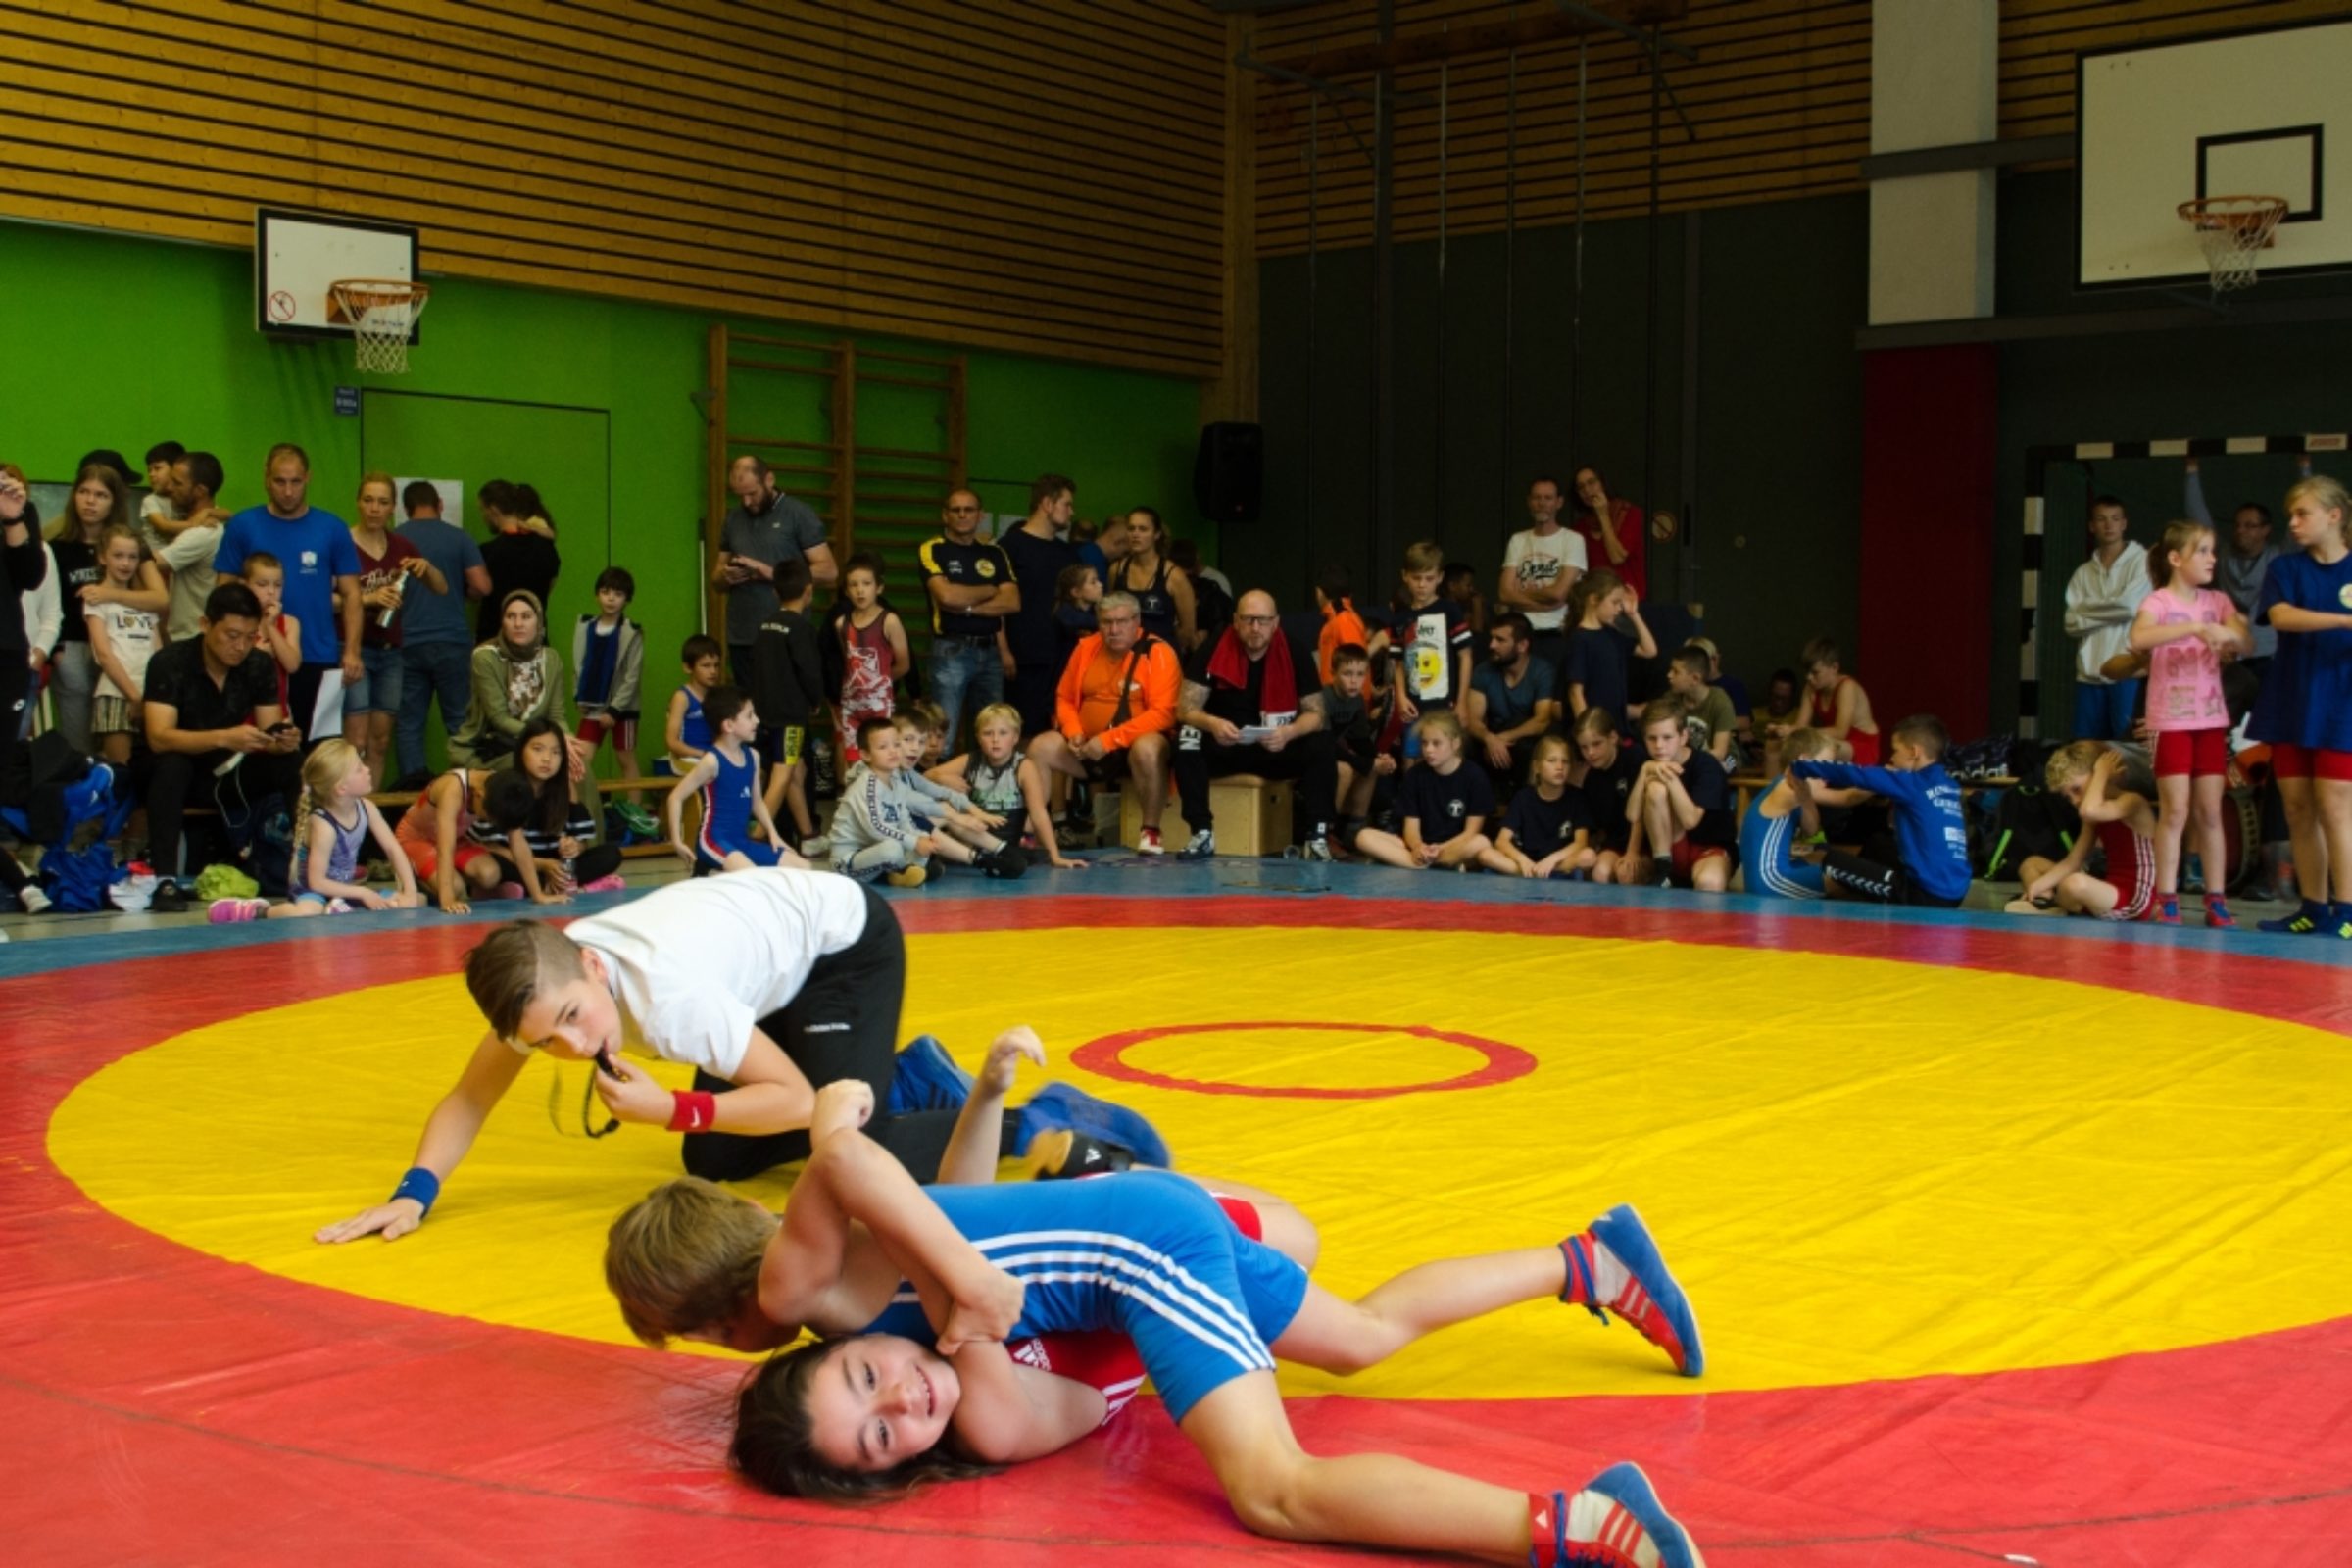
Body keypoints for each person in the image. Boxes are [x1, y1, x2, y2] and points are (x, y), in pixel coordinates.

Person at [606, 1078, 1707, 1567]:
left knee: (1276, 1490)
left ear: (718, 1318)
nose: (897, 1399)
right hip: (1131, 1253)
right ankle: (1588, 1262)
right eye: (885, 1430)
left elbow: (848, 1157)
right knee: (1360, 1337)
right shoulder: (874, 1312)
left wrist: (964, 1287)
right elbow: (898, 1176)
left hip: (1136, 1247)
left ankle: (1580, 1524)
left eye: (866, 1389)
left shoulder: (807, 1296)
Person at [312, 867, 1167, 1237]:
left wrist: (668, 1103)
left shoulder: (670, 1001)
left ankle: (1026, 1121)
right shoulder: (540, 989)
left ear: (595, 966)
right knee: (713, 1157)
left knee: (843, 1144)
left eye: (576, 1018)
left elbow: (796, 1100)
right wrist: (414, 1193)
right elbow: (470, 1099)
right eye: (549, 1042)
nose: (576, 1046)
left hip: (840, 946)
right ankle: (905, 1079)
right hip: (760, 975)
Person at [138, 582, 304, 910]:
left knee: (293, 761)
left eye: (249, 636)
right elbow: (158, 737)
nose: (240, 646)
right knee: (173, 764)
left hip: (226, 772)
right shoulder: (169, 662)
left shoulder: (257, 664)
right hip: (170, 771)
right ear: (205, 625)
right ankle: (165, 880)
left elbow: (269, 729)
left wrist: (282, 740)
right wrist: (225, 736)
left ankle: (307, 868)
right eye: (231, 635)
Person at [2129, 518, 2252, 927]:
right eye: (2203, 551)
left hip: (2210, 719)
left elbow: (2244, 639)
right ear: (2176, 558)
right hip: (2171, 721)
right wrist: (2196, 627)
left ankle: (2216, 899)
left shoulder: (2217, 601)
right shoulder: (2159, 603)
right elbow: (2139, 639)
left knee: (2210, 812)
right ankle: (2168, 897)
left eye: (2213, 551)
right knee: (2175, 811)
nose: (2211, 558)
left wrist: (2228, 634)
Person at [2246, 473, 2352, 937]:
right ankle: (2313, 906)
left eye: (2302, 513)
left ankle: (2347, 910)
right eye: (2290, 514)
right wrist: (2346, 622)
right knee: (2297, 808)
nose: (2293, 523)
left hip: (2342, 702)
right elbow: (2281, 617)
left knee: (2335, 805)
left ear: (2335, 516)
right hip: (2291, 699)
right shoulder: (2285, 569)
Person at [1171, 590, 1338, 860]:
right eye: (1248, 620)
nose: (1255, 628)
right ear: (1236, 621)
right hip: (1226, 744)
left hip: (1275, 747)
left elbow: (1317, 714)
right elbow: (1185, 709)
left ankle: (1317, 836)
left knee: (1322, 741)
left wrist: (1289, 732)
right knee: (1187, 736)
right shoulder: (1213, 648)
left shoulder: (1295, 651)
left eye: (1262, 620)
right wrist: (1212, 723)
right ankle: (1201, 832)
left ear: (1276, 623)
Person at [212, 443, 362, 742]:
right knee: (260, 742)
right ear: (267, 479)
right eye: (280, 481)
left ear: (307, 478)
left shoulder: (332, 528)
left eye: (295, 482)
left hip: (317, 653)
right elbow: (223, 592)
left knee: (319, 746)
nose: (288, 491)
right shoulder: (243, 525)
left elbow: (352, 595)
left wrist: (352, 651)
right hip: (255, 653)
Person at [1030, 591, 1183, 855]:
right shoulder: (1086, 647)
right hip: (1086, 747)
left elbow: (1164, 714)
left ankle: (1151, 832)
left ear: (1137, 621)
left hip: (1132, 748)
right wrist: (1074, 732)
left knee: (1148, 747)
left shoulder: (1159, 652)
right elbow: (1064, 698)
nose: (1113, 630)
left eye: (1121, 622)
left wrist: (1109, 740)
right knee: (1040, 746)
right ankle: (1035, 831)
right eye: (1106, 622)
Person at [208, 738, 425, 922]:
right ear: (341, 788)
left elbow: (393, 848)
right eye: (359, 768)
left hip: (343, 889)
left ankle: (342, 908)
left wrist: (409, 890)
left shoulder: (366, 807)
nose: (368, 770)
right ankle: (257, 910)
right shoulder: (323, 825)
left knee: (417, 900)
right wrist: (362, 892)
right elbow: (317, 882)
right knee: (308, 912)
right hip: (312, 891)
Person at [1788, 713, 1970, 907]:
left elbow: (1854, 773)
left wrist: (1800, 767)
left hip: (1923, 896)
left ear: (1913, 752)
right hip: (1956, 893)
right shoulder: (1950, 786)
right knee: (1877, 845)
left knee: (1830, 859)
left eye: (1895, 750)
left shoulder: (1912, 783)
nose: (1891, 757)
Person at [394, 480, 492, 784]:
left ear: (405, 508)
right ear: (439, 504)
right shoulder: (459, 538)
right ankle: (464, 788)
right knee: (459, 721)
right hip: (452, 640)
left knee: (410, 723)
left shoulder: (395, 540)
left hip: (407, 640)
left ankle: (412, 791)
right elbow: (483, 586)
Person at [345, 472, 433, 785]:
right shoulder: (343, 542)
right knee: (354, 742)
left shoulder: (402, 546)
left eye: (383, 502)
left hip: (391, 652)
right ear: (358, 502)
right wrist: (368, 598)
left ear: (393, 507)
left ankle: (371, 814)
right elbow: (324, 599)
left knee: (380, 742)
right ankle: (347, 816)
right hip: (354, 649)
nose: (374, 508)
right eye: (368, 500)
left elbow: (442, 586)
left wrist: (427, 567)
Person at [716, 456, 835, 685]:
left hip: (785, 635)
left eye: (752, 493)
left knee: (783, 712)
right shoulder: (732, 519)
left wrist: (769, 572)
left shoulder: (798, 514)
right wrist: (726, 576)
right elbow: (715, 579)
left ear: (769, 480)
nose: (747, 501)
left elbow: (829, 571)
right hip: (743, 635)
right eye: (739, 495)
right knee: (747, 715)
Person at [2006, 743, 2158, 921]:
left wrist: (2101, 773)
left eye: (2076, 790)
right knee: (2031, 864)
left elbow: (2089, 811)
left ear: (2100, 775)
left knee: (2074, 884)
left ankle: (2058, 904)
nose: (2074, 801)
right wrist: (2036, 888)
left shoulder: (2132, 802)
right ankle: (2044, 903)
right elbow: (2072, 861)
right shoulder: (2093, 815)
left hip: (2136, 899)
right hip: (2109, 891)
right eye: (2068, 796)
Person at [927, 701, 1085, 870]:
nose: (995, 740)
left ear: (1015, 737)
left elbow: (1039, 814)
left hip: (1003, 846)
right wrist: (941, 778)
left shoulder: (1024, 767)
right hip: (969, 840)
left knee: (1020, 860)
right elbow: (923, 777)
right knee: (940, 811)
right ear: (978, 738)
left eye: (1003, 733)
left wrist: (1056, 857)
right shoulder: (970, 761)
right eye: (988, 733)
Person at [917, 488, 1018, 752]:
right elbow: (947, 596)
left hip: (991, 652)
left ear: (980, 515)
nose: (963, 515)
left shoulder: (995, 554)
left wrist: (968, 607)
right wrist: (988, 589)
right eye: (956, 509)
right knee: (942, 734)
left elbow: (1012, 602)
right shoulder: (934, 548)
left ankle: (983, 791)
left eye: (969, 509)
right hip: (951, 650)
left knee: (992, 734)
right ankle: (938, 792)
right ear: (945, 515)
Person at [667, 685, 804, 876]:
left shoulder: (753, 757)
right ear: (729, 725)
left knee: (803, 868)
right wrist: (677, 841)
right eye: (749, 716)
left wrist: (774, 834)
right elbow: (676, 797)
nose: (756, 720)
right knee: (754, 877)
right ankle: (706, 870)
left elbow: (757, 802)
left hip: (741, 842)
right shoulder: (712, 761)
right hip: (714, 841)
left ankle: (715, 876)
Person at [485, 716, 624, 897]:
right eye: (537, 749)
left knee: (611, 854)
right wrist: (542, 864)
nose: (546, 759)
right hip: (520, 864)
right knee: (495, 865)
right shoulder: (507, 786)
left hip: (555, 866)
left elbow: (582, 840)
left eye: (556, 752)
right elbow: (490, 847)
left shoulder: (565, 788)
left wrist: (574, 846)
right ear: (521, 751)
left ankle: (543, 887)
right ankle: (556, 887)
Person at [43, 461, 128, 752]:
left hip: (118, 645)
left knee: (116, 736)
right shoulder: (56, 546)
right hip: (72, 646)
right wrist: (54, 650)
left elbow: (155, 597)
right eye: (84, 492)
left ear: (113, 501)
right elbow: (47, 602)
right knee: (77, 740)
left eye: (101, 495)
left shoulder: (124, 548)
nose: (90, 501)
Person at [1614, 698, 1735, 893]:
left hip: (1706, 847)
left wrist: (1669, 777)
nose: (1659, 746)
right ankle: (1664, 870)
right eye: (1652, 738)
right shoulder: (1645, 762)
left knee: (1709, 882)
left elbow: (1690, 820)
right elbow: (1632, 816)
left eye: (1667, 737)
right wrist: (1645, 771)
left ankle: (1668, 875)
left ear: (1683, 736)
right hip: (1665, 851)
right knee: (1626, 874)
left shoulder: (1706, 765)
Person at [451, 590, 579, 768]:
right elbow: (499, 718)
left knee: (577, 766)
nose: (518, 624)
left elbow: (556, 715)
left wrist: (567, 741)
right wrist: (546, 739)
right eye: (511, 616)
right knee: (528, 766)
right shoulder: (485, 656)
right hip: (493, 748)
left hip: (540, 744)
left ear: (539, 622)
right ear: (502, 622)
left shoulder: (551, 658)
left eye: (526, 617)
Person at [392, 760, 538, 913]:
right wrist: (448, 900)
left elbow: (518, 843)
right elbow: (445, 847)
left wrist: (538, 895)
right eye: (488, 817)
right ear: (478, 795)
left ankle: (468, 889)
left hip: (455, 838)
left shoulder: (501, 790)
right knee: (455, 888)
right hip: (415, 839)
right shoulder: (452, 789)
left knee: (490, 875)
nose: (487, 821)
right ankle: (413, 879)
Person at [1352, 711, 1494, 870]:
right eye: (1424, 743)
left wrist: (1438, 849)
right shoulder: (1415, 775)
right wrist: (1418, 847)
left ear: (1455, 744)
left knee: (1481, 842)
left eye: (1436, 743)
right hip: (1420, 847)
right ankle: (1432, 865)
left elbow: (1471, 832)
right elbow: (1411, 828)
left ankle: (1418, 864)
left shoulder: (1475, 776)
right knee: (1364, 837)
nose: (1428, 750)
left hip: (1454, 845)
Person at [751, 559, 825, 852]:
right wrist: (815, 698)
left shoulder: (764, 627)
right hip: (790, 717)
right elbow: (809, 670)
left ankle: (808, 837)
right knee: (782, 774)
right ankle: (757, 837)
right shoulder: (802, 629)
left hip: (764, 712)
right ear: (809, 591)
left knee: (796, 770)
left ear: (775, 593)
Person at [2061, 494, 2149, 742]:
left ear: (2124, 523)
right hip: (2088, 674)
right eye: (2101, 519)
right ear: (2092, 526)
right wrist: (2114, 608)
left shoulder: (2142, 562)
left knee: (2125, 747)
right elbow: (2070, 623)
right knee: (2085, 749)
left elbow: (2130, 607)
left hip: (2126, 673)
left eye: (2115, 519)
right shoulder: (2083, 572)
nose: (2108, 525)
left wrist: (2087, 610)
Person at [999, 474, 1081, 739]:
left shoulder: (1068, 553)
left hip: (1063, 655)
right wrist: (1003, 650)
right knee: (1021, 730)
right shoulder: (1009, 547)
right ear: (1047, 503)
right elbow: (998, 605)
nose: (1072, 512)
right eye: (1067, 504)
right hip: (1023, 655)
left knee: (1059, 729)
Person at [82, 524, 165, 767]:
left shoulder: (145, 602)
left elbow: (159, 654)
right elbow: (104, 655)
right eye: (118, 555)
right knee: (122, 772)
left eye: (133, 557)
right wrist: (133, 696)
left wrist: (151, 696)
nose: (126, 563)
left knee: (154, 767)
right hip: (116, 694)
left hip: (151, 696)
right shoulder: (96, 600)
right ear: (102, 557)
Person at [2186, 458, 2280, 667]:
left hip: (2265, 652)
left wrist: (2304, 467)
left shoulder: (2277, 556)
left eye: (2250, 526)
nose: (2240, 530)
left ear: (2266, 530)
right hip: (2227, 649)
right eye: (2237, 525)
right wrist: (2192, 472)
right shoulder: (2223, 553)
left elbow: (2300, 529)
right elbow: (2198, 519)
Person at [1496, 476, 1588, 680]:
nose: (1542, 503)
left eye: (1548, 498)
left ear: (1559, 502)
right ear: (1529, 501)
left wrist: (1522, 592)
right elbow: (1504, 593)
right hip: (1522, 634)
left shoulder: (1572, 540)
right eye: (1537, 498)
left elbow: (1559, 593)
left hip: (1558, 633)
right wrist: (1545, 602)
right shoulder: (1518, 540)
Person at [1740, 727, 1843, 901]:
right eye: (1825, 764)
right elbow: (1846, 799)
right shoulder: (1787, 790)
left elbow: (1812, 832)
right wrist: (1883, 780)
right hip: (1769, 882)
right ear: (1803, 760)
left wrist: (1807, 798)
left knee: (1823, 855)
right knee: (1845, 878)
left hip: (1770, 875)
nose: (1828, 774)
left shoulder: (1796, 788)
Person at [1463, 612, 1559, 795]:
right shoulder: (1483, 671)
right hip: (1490, 739)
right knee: (1462, 740)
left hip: (1523, 740)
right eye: (1492, 638)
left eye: (1500, 640)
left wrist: (1503, 738)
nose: (1491, 645)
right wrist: (1490, 739)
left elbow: (1542, 719)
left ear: (1522, 645)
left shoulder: (1542, 671)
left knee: (1532, 740)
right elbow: (1473, 720)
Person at [572, 566, 647, 798]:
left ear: (627, 599)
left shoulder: (632, 632)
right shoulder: (584, 626)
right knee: (581, 759)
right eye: (605, 592)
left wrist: (615, 710)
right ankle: (578, 808)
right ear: (597, 595)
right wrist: (578, 696)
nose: (611, 598)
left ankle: (635, 812)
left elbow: (632, 676)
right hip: (592, 705)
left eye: (618, 594)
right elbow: (578, 665)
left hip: (621, 710)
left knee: (625, 758)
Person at [1478, 734, 1595, 878]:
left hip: (1558, 863)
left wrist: (1552, 860)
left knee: (1588, 856)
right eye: (1552, 761)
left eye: (1565, 762)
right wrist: (1522, 860)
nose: (1560, 767)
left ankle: (1540, 873)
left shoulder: (1576, 798)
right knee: (1486, 854)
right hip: (1528, 862)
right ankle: (1535, 873)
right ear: (1536, 767)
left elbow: (1580, 843)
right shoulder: (1523, 797)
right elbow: (1502, 841)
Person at [1384, 540, 1473, 730]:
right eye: (1416, 578)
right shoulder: (1400, 618)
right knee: (1411, 754)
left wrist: (1462, 701)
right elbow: (1397, 661)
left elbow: (1465, 656)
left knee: (1444, 752)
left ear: (1440, 577)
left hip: (1445, 704)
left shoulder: (1450, 611)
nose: (1422, 585)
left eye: (1429, 578)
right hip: (1413, 704)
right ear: (1405, 576)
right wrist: (1400, 696)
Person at [832, 553, 907, 770]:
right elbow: (848, 661)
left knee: (881, 762)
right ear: (846, 591)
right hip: (851, 706)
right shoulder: (841, 624)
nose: (860, 590)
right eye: (853, 585)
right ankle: (856, 803)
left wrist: (879, 682)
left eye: (866, 584)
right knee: (854, 765)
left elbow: (904, 664)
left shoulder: (890, 621)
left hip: (879, 704)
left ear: (879, 587)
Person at [151, 450, 230, 643]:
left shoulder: (203, 533)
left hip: (191, 639)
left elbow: (152, 562)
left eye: (178, 483)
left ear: (200, 491)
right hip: (188, 636)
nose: (169, 487)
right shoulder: (210, 520)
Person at [1563, 568, 1654, 725]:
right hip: (1595, 727)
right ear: (1593, 599)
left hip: (1615, 725)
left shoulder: (1612, 634)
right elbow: (1575, 692)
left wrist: (1633, 614)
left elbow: (1649, 651)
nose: (1619, 608)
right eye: (1615, 602)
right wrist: (1587, 730)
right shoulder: (1580, 639)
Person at [473, 480, 561, 645]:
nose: (483, 517)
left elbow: (475, 592)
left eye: (482, 510)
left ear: (493, 510)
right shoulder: (547, 549)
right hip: (534, 644)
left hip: (494, 644)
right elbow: (549, 586)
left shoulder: (487, 552)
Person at [0, 469, 47, 760]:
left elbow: (30, 577)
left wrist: (13, 519)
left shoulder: (16, 505)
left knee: (6, 754)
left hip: (6, 648)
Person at [1106, 506, 1196, 650]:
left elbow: (1188, 631)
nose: (1135, 534)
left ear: (1157, 534)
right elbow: (1108, 613)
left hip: (1160, 657)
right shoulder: (1116, 570)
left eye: (1143, 529)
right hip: (1124, 656)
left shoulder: (1174, 576)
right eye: (1131, 528)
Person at [1571, 707, 1637, 885]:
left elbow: (1642, 816)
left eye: (1596, 744)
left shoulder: (1635, 760)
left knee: (1626, 873)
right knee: (1600, 872)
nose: (1590, 752)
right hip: (1616, 843)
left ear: (1613, 738)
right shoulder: (1591, 779)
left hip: (1644, 843)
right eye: (1584, 747)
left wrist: (1632, 852)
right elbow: (1598, 828)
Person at [1795, 636, 1881, 766]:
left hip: (1862, 746)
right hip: (1833, 741)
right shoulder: (1810, 689)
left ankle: (1812, 785)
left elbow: (1841, 732)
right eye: (1807, 672)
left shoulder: (1847, 686)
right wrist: (1783, 731)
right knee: (1774, 745)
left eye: (1815, 673)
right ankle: (1776, 786)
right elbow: (1800, 728)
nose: (1809, 677)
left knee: (1819, 747)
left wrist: (1798, 732)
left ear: (1834, 668)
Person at [1571, 466, 1648, 602]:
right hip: (1595, 601)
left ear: (1603, 484)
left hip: (1627, 600)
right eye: (1581, 487)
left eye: (1591, 482)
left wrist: (1603, 515)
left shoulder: (1629, 514)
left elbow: (1617, 557)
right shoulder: (1581, 527)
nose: (1587, 490)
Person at [1663, 645, 1739, 769]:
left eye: (1675, 672)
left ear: (1695, 679)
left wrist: (1686, 761)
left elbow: (1720, 752)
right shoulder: (1670, 699)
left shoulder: (1719, 700)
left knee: (1716, 768)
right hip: (1687, 759)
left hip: (1726, 759)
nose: (1669, 675)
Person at [664, 634, 723, 775]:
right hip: (685, 759)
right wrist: (701, 753)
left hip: (708, 756)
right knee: (713, 770)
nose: (713, 671)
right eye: (706, 666)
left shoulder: (715, 696)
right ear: (687, 668)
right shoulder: (682, 697)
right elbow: (672, 742)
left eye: (716, 665)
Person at [1312, 564, 1370, 685]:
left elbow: (1356, 667)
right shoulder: (1340, 618)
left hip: (1345, 702)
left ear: (1319, 592)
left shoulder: (1343, 620)